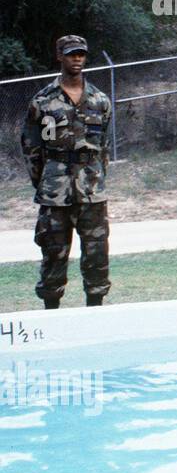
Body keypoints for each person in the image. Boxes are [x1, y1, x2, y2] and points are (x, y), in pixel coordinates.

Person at [20, 35, 113, 309]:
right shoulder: (43, 102)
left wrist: (95, 179)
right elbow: (31, 148)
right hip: (54, 192)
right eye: (71, 54)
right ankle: (51, 314)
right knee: (53, 254)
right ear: (59, 56)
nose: (77, 59)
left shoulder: (99, 100)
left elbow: (103, 148)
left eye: (81, 54)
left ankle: (95, 311)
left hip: (92, 191)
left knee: (97, 253)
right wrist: (47, 181)